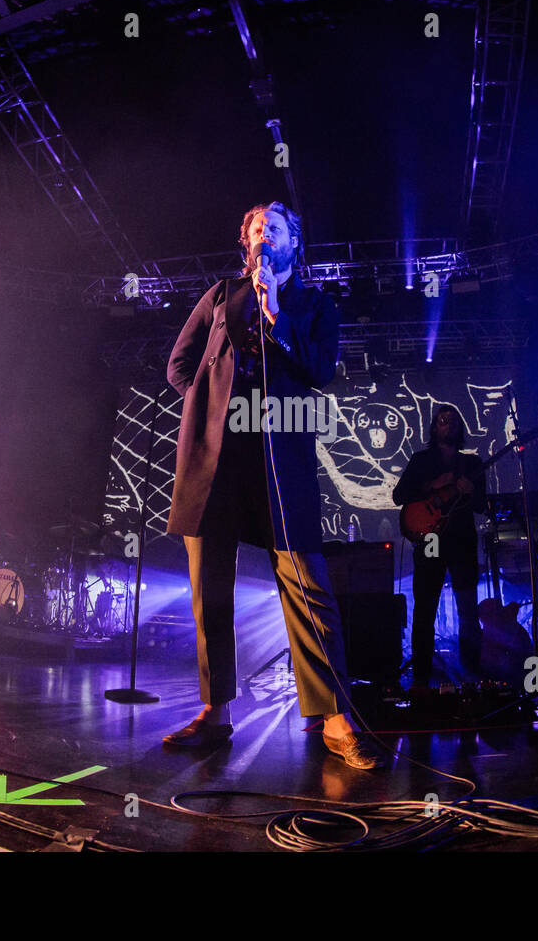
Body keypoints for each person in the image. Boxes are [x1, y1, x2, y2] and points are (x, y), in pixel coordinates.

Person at [162, 201, 385, 769]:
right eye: (258, 228)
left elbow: (318, 368)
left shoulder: (314, 305)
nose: (266, 235)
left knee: (307, 583)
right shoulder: (219, 295)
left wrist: (274, 308)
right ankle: (215, 715)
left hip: (278, 458)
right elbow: (179, 365)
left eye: (276, 228)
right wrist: (208, 408)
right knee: (209, 587)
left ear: (293, 244)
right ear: (248, 241)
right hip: (215, 461)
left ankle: (332, 714)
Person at [392, 405, 486, 688]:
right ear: (434, 428)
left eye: (453, 420)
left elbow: (482, 505)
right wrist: (434, 484)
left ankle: (472, 675)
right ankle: (421, 680)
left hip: (461, 539)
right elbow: (399, 496)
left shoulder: (471, 464)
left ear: (460, 428)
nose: (448, 424)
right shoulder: (421, 460)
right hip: (431, 539)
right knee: (425, 608)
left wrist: (472, 492)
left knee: (468, 610)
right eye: (443, 420)